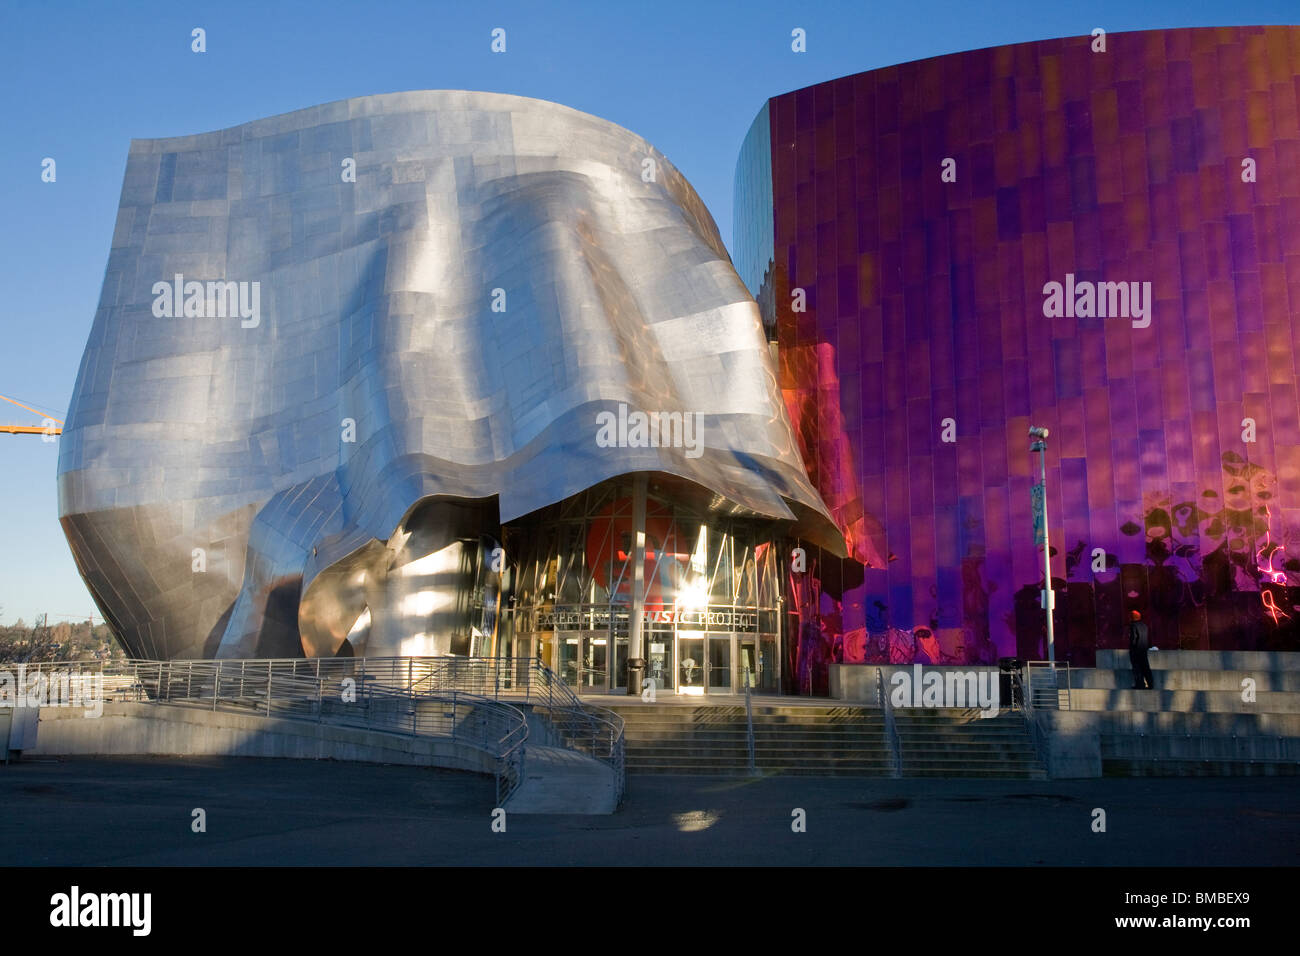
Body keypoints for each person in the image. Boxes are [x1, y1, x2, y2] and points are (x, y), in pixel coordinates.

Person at [1128, 610, 1154, 689]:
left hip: (1136, 650)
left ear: (1132, 617)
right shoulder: (1145, 626)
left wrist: (1132, 647)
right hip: (1143, 650)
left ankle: (1140, 684)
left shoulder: (1133, 626)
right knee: (1145, 667)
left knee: (1137, 668)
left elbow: (1134, 639)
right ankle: (1150, 684)